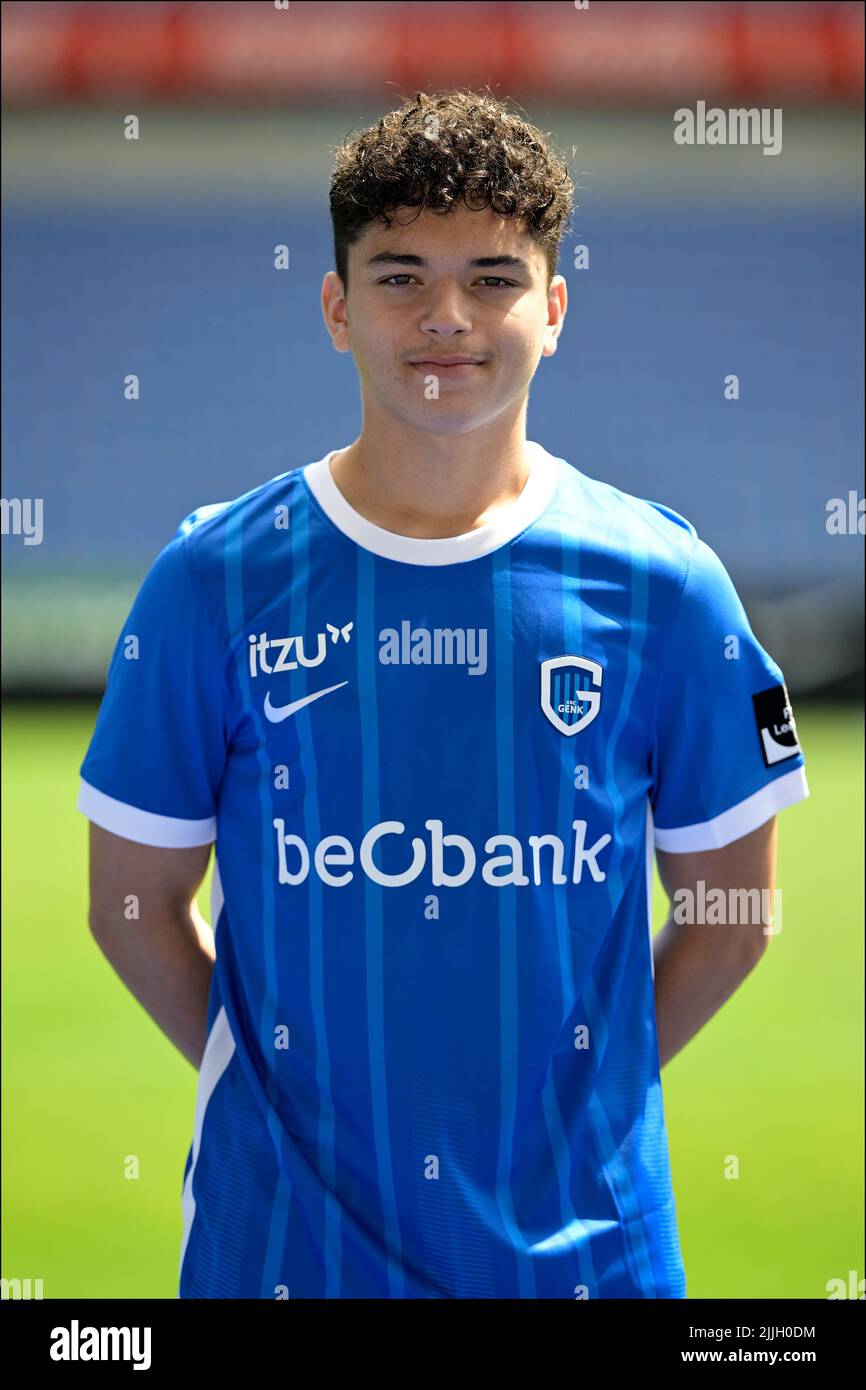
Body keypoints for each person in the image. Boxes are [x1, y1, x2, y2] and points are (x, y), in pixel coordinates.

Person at [77, 89, 809, 1299]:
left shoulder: (668, 585)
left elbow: (736, 909)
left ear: (555, 309)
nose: (447, 318)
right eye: (400, 275)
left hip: (588, 1261)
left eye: (494, 278)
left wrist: (573, 1097)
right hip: (279, 1256)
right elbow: (130, 903)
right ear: (335, 306)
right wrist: (272, 1084)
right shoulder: (211, 578)